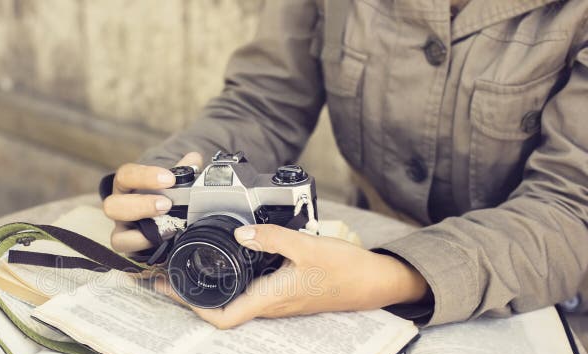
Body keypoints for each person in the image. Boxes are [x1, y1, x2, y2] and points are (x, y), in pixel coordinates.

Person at [101, 0, 588, 329]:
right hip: (351, 256)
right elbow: (264, 103)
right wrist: (169, 191)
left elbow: (570, 207)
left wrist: (393, 277)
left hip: (550, 310)